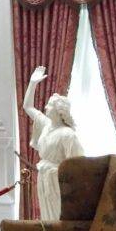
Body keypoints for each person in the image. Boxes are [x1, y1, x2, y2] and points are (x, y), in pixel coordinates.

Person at [22, 65, 85, 221]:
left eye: (49, 105)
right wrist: (32, 84)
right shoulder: (46, 125)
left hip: (58, 181)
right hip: (44, 178)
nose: (45, 107)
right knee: (46, 217)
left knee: (58, 216)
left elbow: (78, 165)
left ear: (59, 111)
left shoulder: (68, 135)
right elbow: (27, 106)